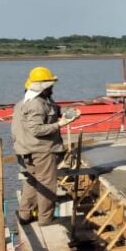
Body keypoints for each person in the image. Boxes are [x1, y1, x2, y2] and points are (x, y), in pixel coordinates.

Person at [11, 66, 80, 225]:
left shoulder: (24, 102)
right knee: (47, 184)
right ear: (43, 87)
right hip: (41, 152)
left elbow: (48, 112)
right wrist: (60, 124)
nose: (52, 89)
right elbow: (37, 129)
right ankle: (45, 218)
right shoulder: (37, 105)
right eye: (50, 86)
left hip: (26, 151)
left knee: (32, 182)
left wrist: (65, 113)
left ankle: (25, 215)